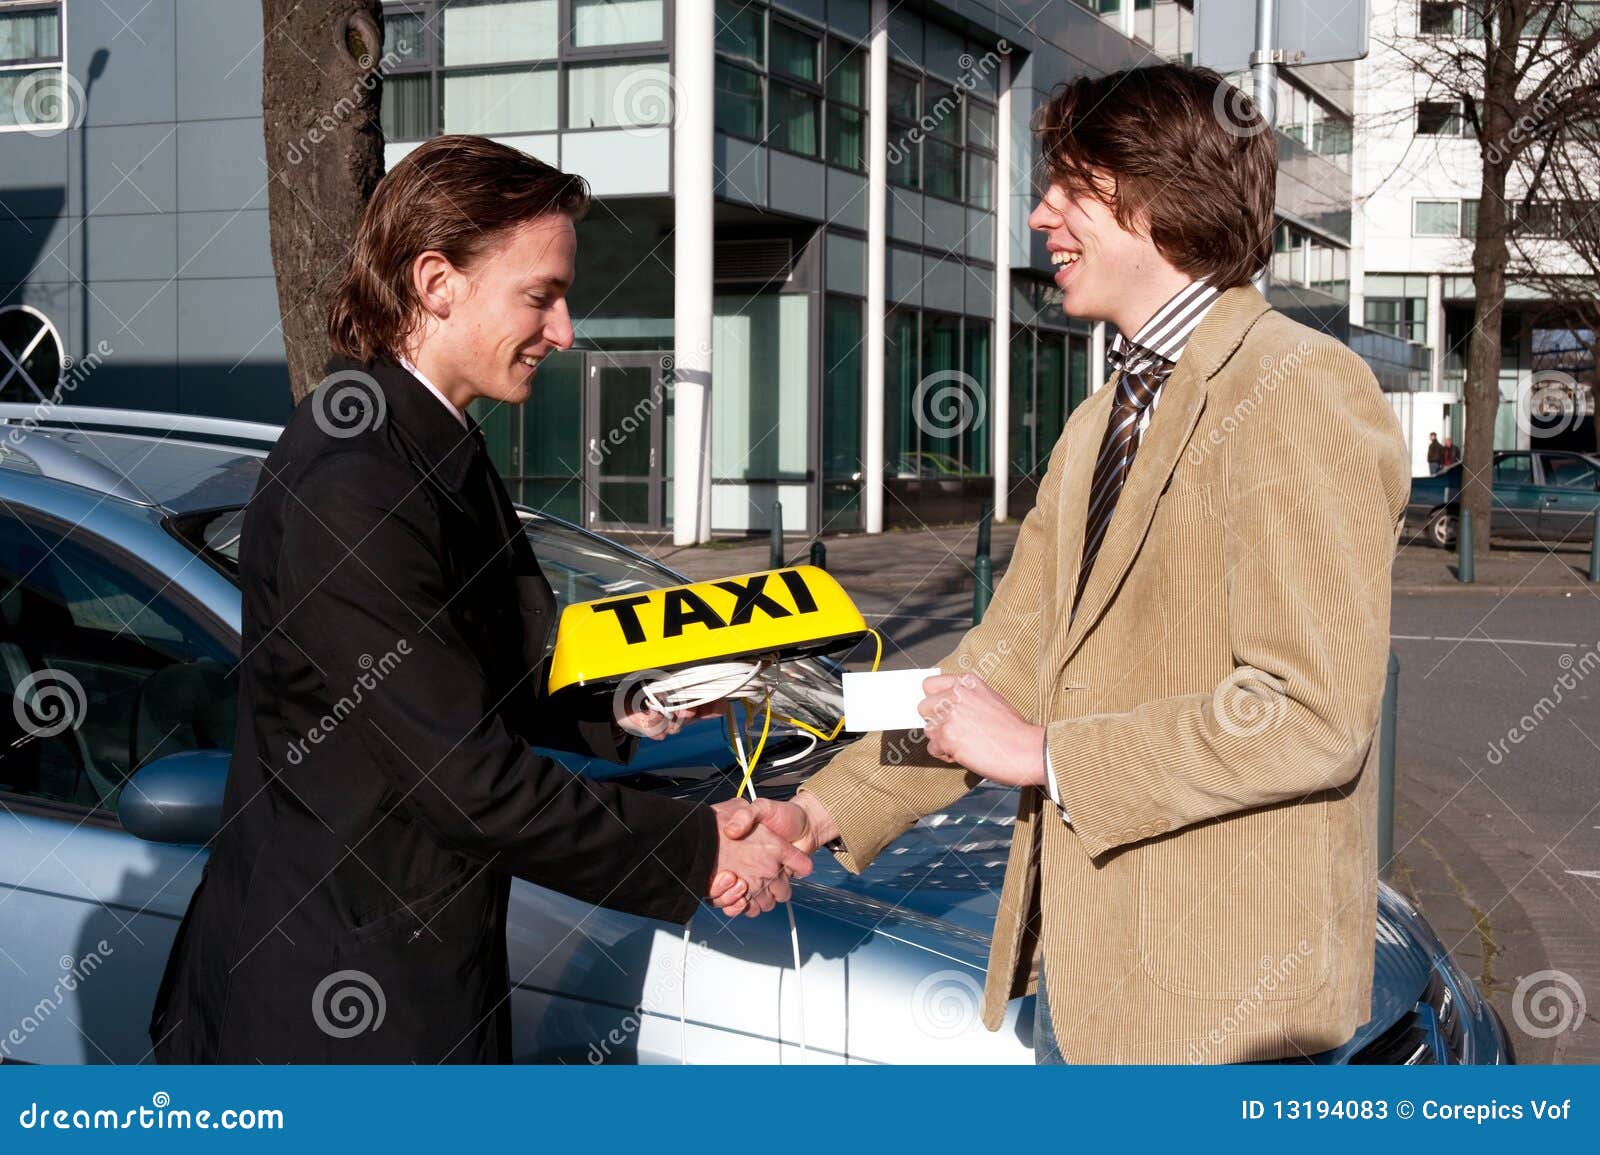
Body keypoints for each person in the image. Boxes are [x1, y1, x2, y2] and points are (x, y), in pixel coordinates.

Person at [742, 65, 1411, 1064]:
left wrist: (1051, 754)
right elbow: (1001, 667)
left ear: (1160, 200)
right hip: (1090, 982)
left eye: (1071, 186)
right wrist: (817, 807)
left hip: (1224, 1010)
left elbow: (1310, 716)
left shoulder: (1296, 391)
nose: (1038, 217)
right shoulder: (1103, 417)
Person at [149, 137, 806, 1064]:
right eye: (541, 296)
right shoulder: (354, 478)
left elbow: (479, 673)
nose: (566, 330)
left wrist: (627, 702)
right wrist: (698, 849)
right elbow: (463, 775)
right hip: (334, 1015)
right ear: (435, 281)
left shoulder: (424, 439)